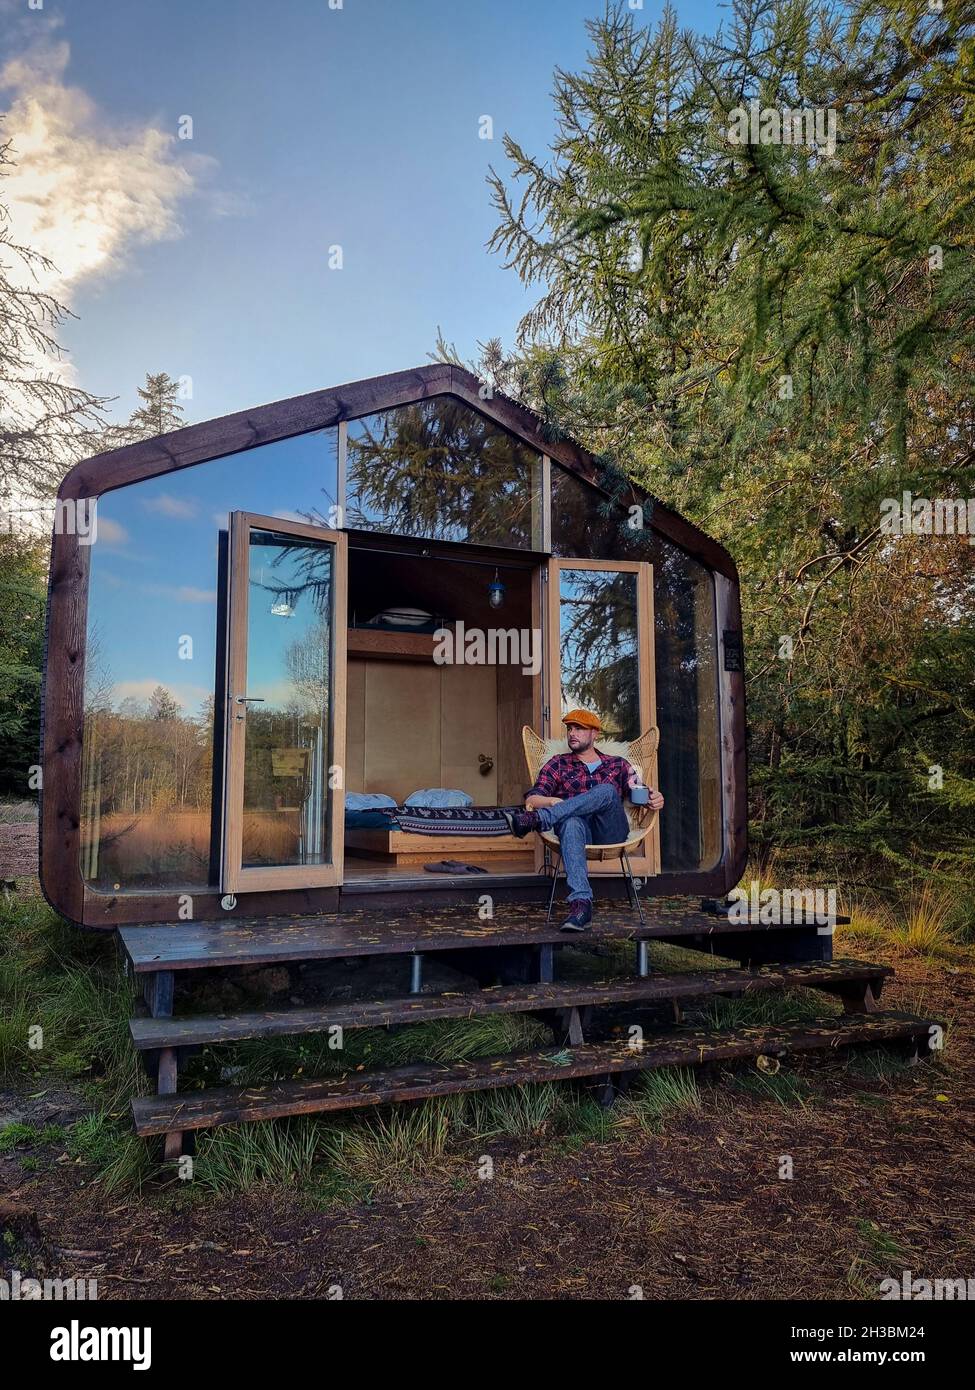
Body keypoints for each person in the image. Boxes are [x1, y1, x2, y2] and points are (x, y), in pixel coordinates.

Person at [504, 709, 664, 933]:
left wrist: (654, 798)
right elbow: (533, 797)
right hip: (577, 833)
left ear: (595, 733)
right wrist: (552, 802)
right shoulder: (557, 763)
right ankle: (581, 907)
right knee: (570, 823)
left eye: (579, 728)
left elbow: (640, 793)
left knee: (607, 791)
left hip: (610, 830)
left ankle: (535, 820)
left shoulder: (617, 764)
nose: (572, 733)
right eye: (570, 728)